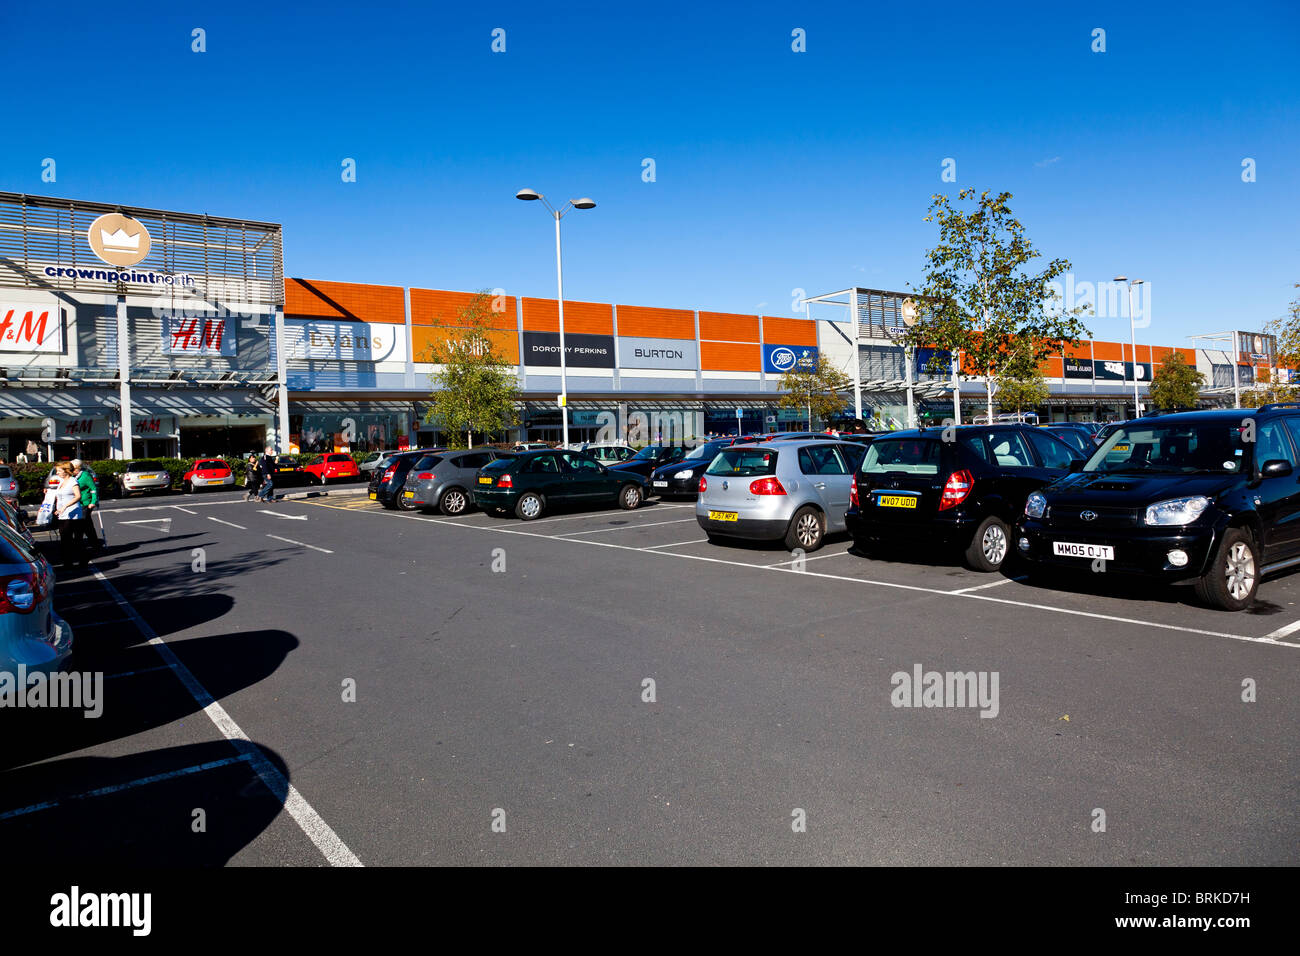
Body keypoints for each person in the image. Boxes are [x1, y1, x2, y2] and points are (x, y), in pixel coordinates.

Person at [52, 463, 82, 568]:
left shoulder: (73, 481)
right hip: (62, 514)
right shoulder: (61, 482)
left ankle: (69, 563)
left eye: (59, 471)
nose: (57, 473)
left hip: (72, 513)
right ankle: (68, 562)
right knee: (64, 538)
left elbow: (78, 496)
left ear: (66, 471)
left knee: (68, 538)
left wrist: (65, 506)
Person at [72, 459, 100, 562]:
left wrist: (93, 501)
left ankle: (79, 545)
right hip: (77, 504)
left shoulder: (85, 476)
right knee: (88, 525)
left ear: (77, 468)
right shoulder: (73, 477)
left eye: (73, 468)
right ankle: (95, 545)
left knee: (81, 524)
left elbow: (93, 489)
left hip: (85, 503)